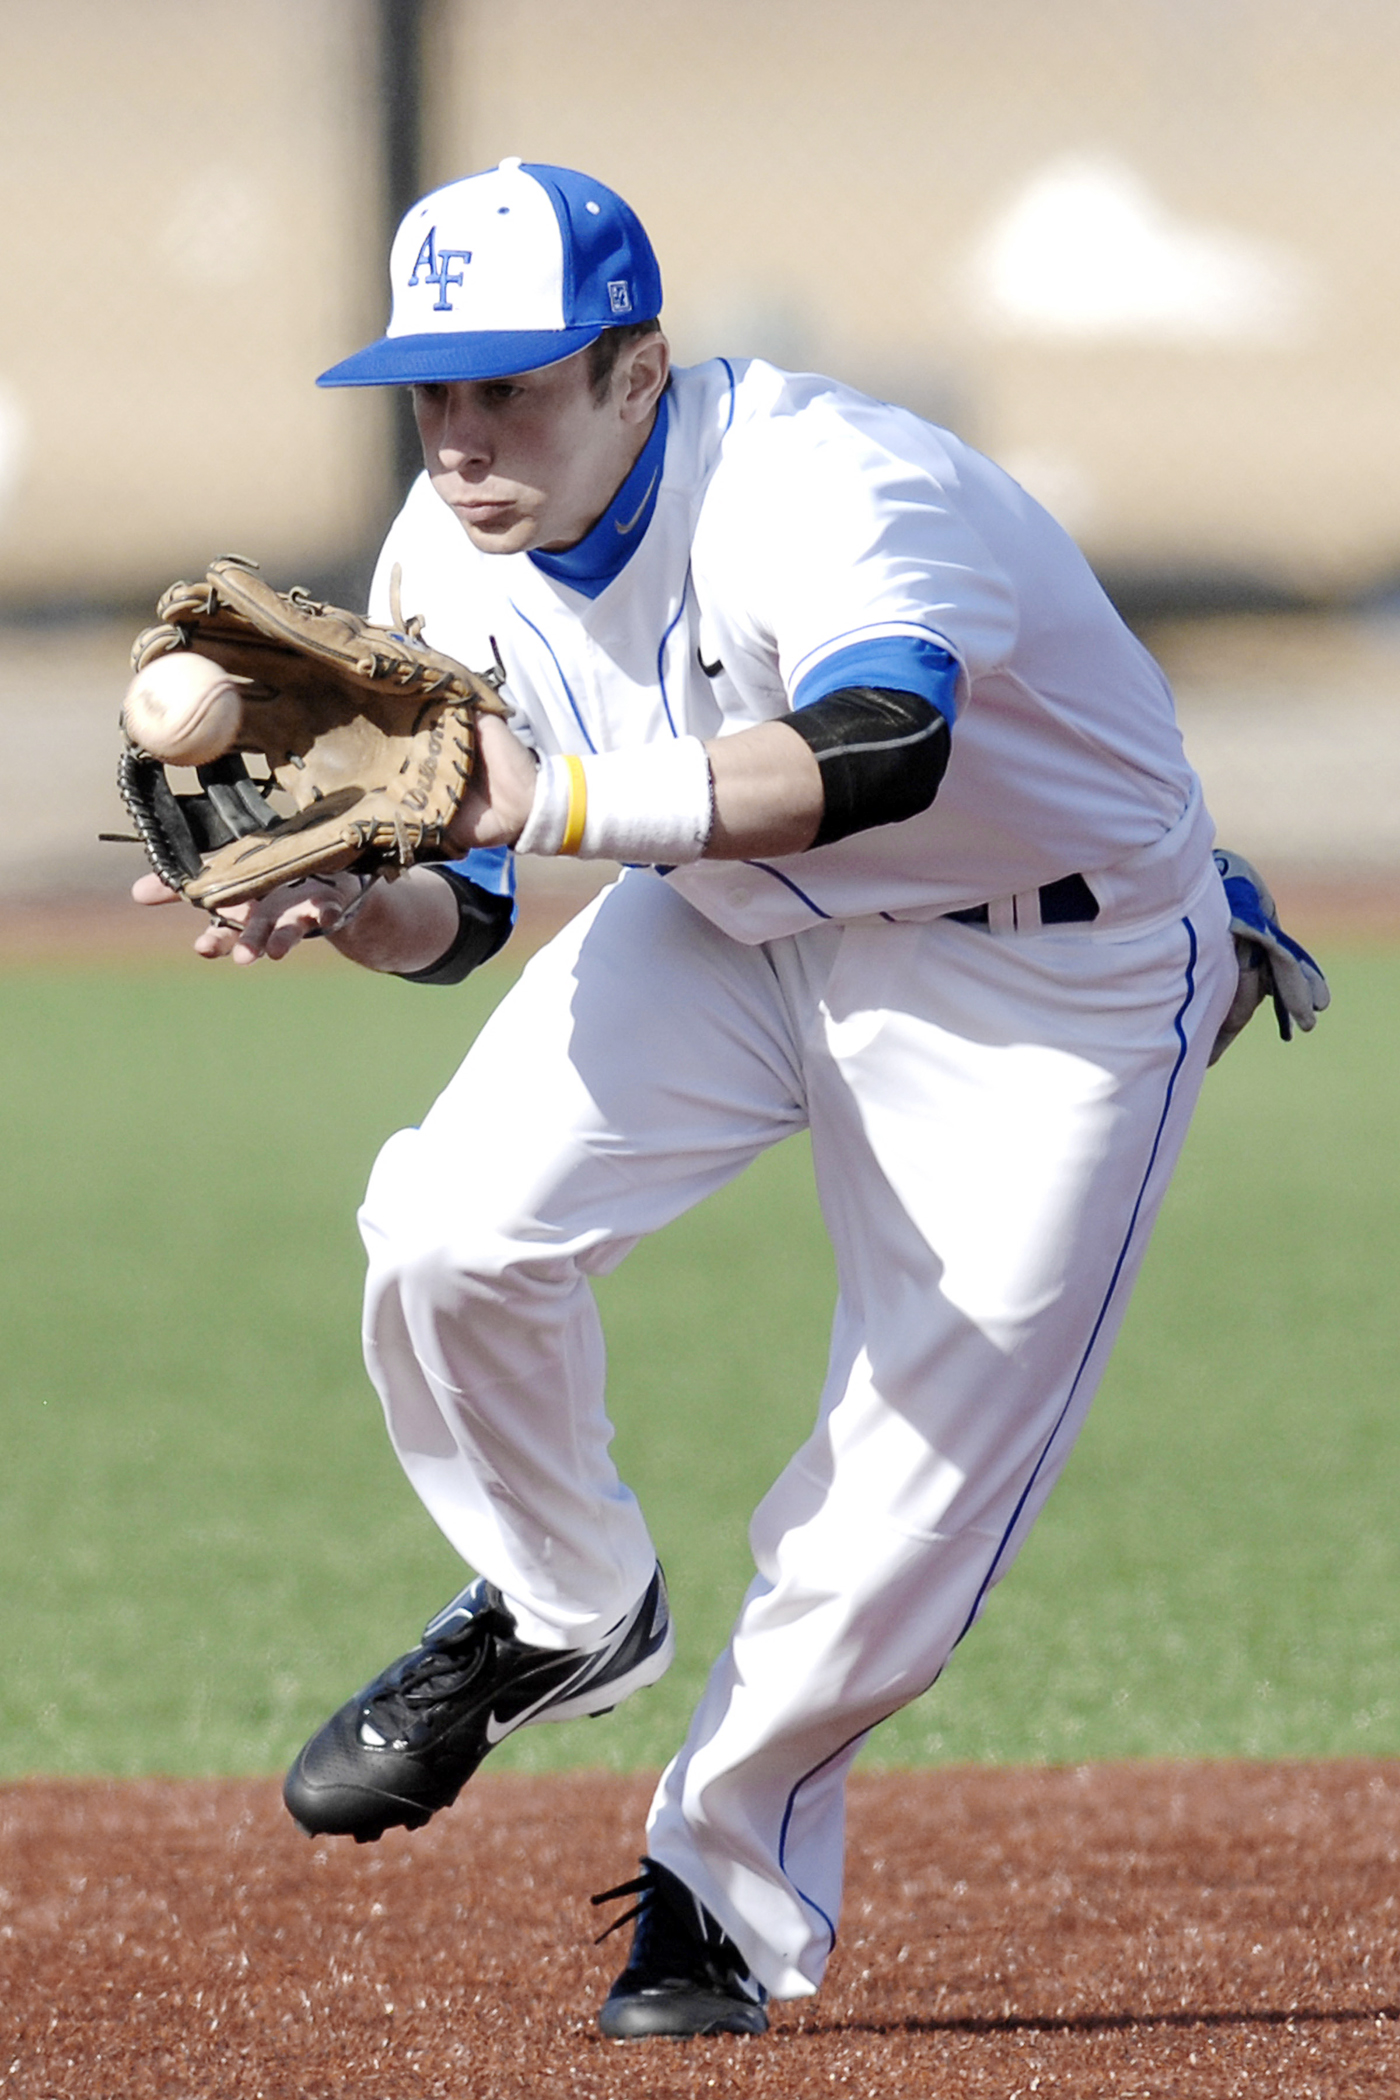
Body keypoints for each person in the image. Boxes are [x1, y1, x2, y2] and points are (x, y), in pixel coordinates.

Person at [134, 158, 1306, 2041]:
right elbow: (470, 911)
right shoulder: (444, 562)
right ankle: (560, 1602)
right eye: (432, 391)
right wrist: (350, 903)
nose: (462, 438)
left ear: (640, 371)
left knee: (903, 1496)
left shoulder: (831, 484)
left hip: (1047, 967)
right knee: (446, 1229)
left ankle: (717, 1878)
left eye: (511, 386)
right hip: (736, 920)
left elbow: (878, 752)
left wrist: (549, 807)